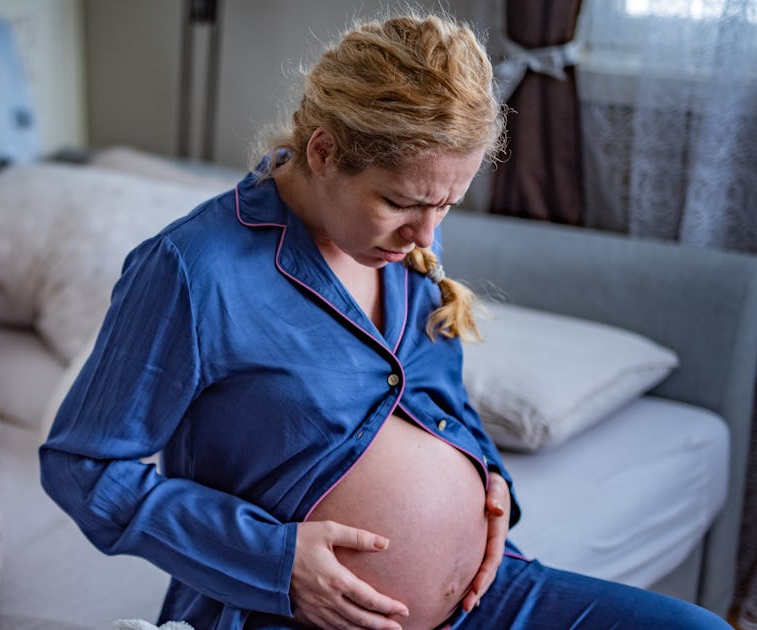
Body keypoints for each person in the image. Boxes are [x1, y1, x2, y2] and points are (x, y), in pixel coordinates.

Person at [40, 13, 732, 630]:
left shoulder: (405, 250)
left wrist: (491, 487)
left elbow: (439, 403)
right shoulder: (193, 270)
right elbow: (83, 467)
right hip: (295, 609)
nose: (427, 237)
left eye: (447, 206)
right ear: (323, 152)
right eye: (401, 202)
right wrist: (277, 563)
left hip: (484, 597)